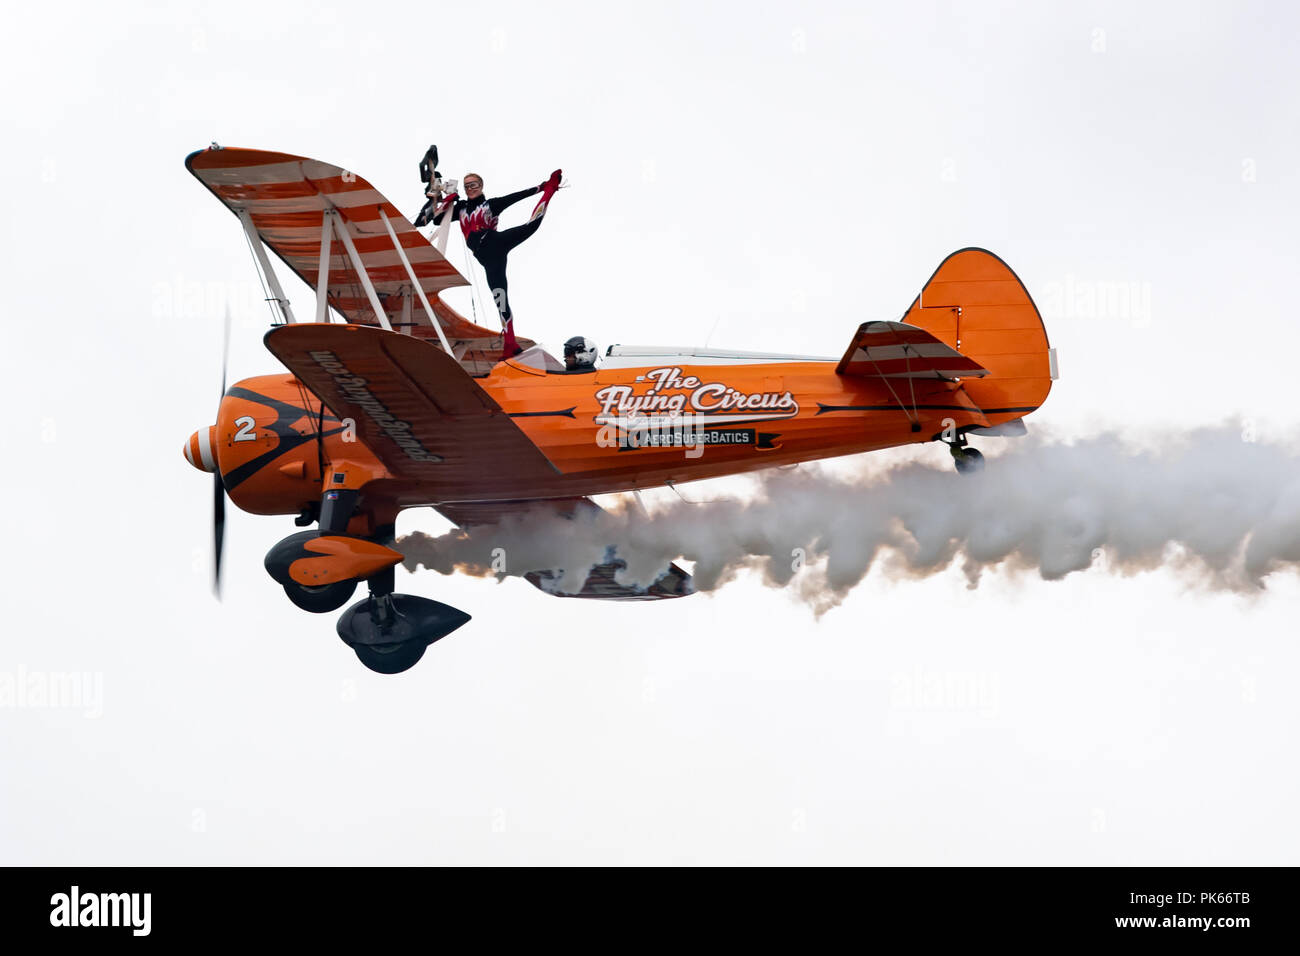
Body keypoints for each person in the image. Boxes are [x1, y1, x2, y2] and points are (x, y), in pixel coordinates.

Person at [427, 168, 563, 357]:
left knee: (531, 225)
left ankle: (551, 191)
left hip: (495, 243)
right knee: (500, 298)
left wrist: (542, 187)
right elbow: (435, 220)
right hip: (487, 260)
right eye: (467, 186)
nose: (470, 189)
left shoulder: (491, 205)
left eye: (473, 185)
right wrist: (445, 200)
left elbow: (514, 197)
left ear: (481, 186)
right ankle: (511, 345)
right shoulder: (461, 209)